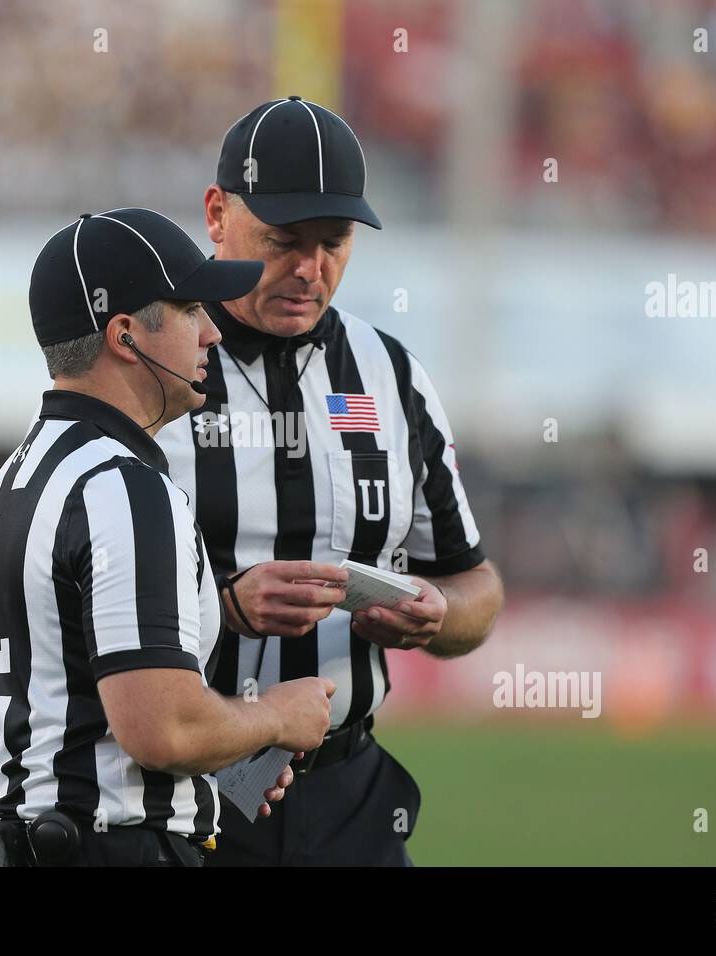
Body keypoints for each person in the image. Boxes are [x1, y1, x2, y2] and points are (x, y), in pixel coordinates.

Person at [156, 100, 506, 866]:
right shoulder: (148, 371)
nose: (311, 269)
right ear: (217, 214)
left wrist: (437, 616)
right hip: (176, 795)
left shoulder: (391, 373)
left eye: (334, 243)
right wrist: (223, 610)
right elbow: (65, 592)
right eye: (284, 241)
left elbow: (475, 583)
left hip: (346, 794)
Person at [0, 207, 336, 867]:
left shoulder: (18, 475)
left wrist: (218, 769)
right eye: (190, 309)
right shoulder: (120, 486)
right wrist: (276, 716)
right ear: (125, 335)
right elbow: (160, 729)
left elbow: (82, 720)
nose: (213, 333)